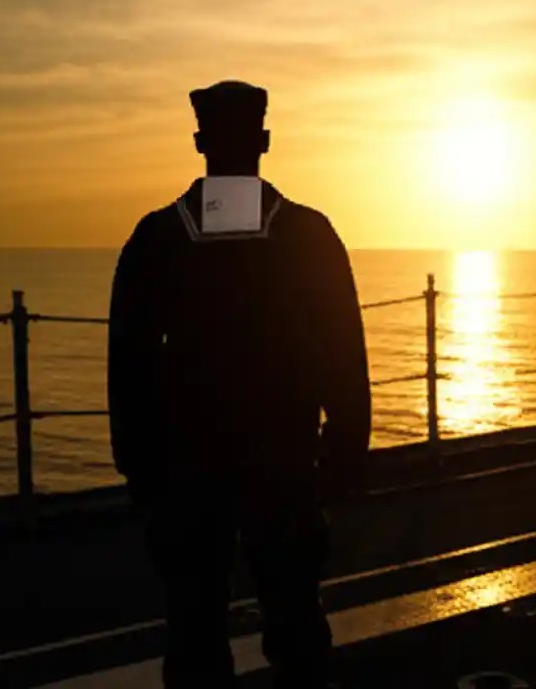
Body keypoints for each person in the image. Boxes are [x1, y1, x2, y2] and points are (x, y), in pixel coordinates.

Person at [107, 80, 371, 688]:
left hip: (188, 473)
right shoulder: (309, 235)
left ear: (199, 142)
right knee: (297, 627)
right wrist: (345, 452)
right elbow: (343, 351)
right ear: (265, 141)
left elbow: (129, 365)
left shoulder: (157, 239)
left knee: (195, 633)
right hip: (283, 463)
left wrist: (139, 470)